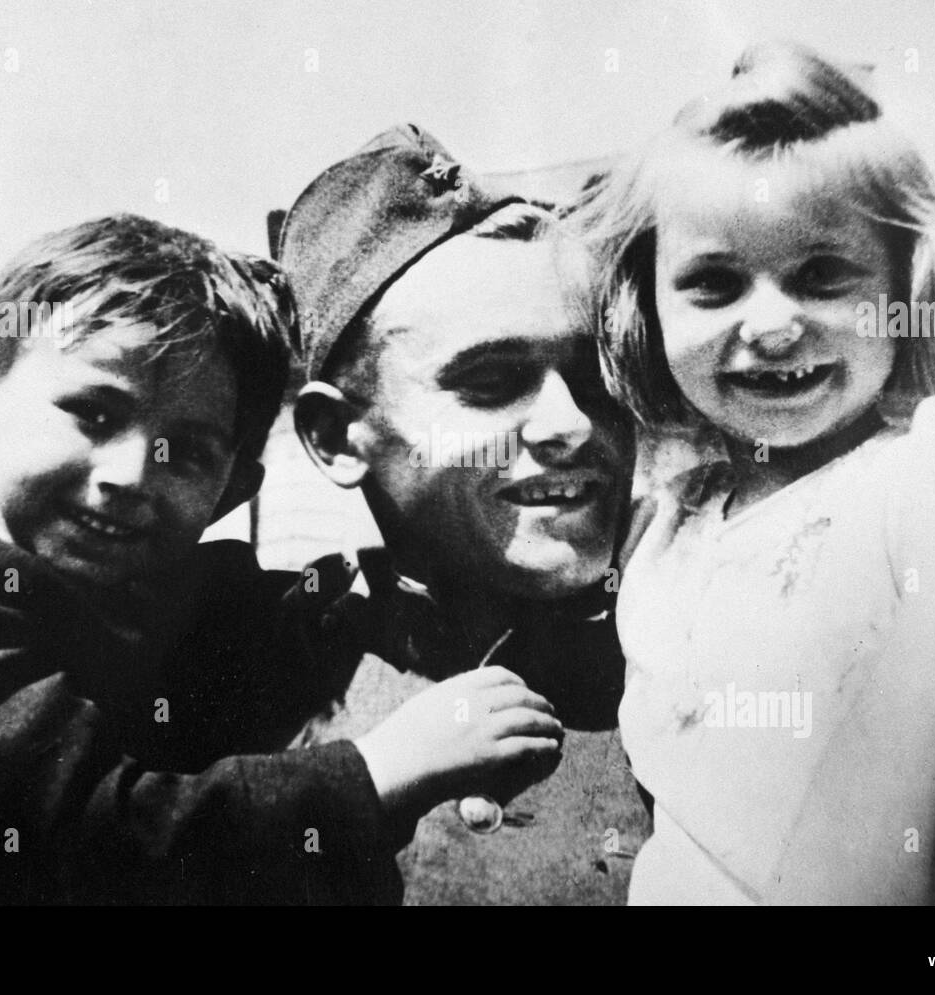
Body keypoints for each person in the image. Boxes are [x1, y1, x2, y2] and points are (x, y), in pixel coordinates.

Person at [0, 213, 564, 905]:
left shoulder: (155, 586)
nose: (131, 473)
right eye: (94, 414)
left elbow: (257, 608)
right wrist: (377, 772)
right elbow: (88, 834)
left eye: (188, 452)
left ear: (233, 486)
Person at [574, 41, 935, 904]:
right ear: (650, 306)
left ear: (905, 283)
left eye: (823, 276)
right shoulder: (663, 527)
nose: (775, 324)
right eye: (714, 284)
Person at [274, 124, 652, 904]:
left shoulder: (710, 651)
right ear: (337, 438)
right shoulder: (251, 671)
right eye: (490, 382)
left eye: (595, 376)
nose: (571, 423)